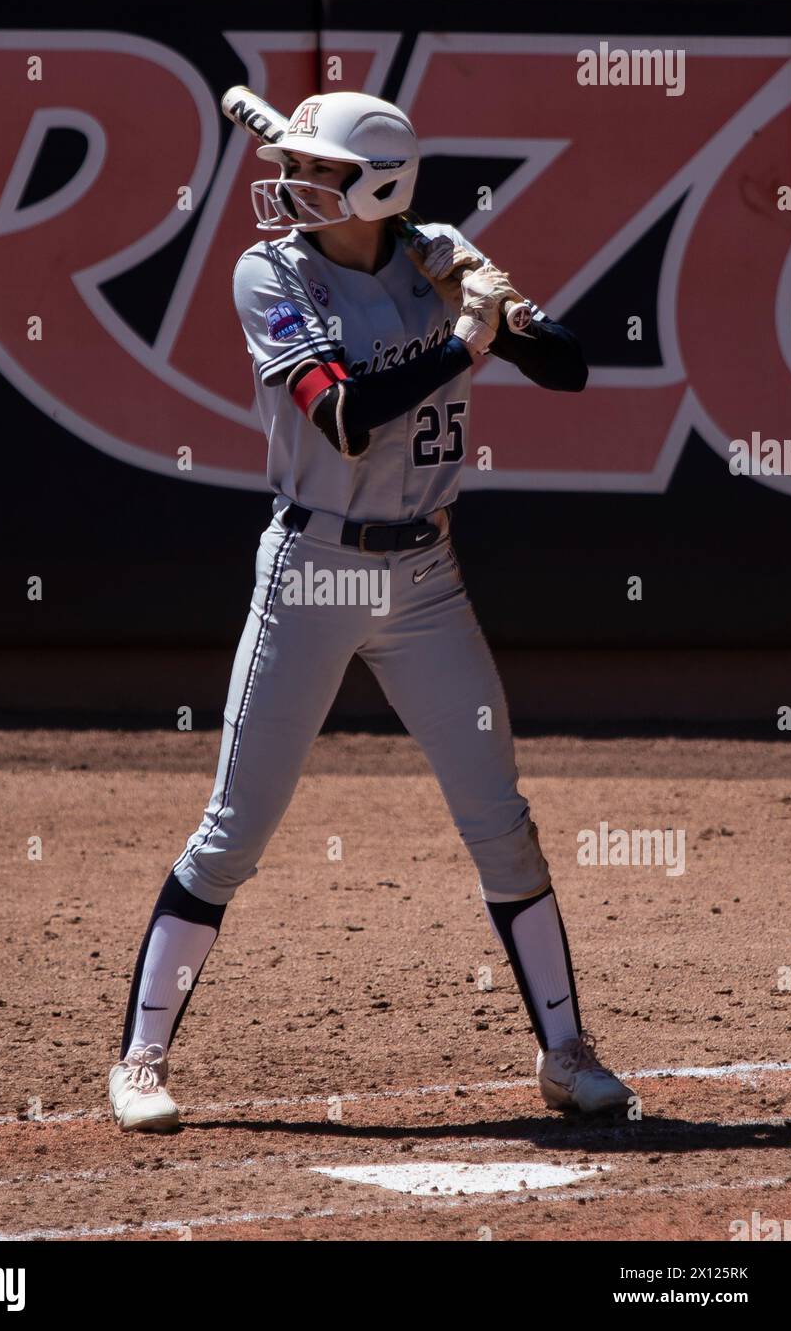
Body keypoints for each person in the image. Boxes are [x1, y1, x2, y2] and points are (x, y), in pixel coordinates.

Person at [109, 92, 635, 1133]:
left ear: (380, 188)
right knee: (234, 831)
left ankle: (566, 1055)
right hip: (314, 567)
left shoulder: (437, 254)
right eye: (295, 163)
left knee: (503, 823)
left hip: (426, 577)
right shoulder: (272, 272)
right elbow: (340, 414)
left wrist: (498, 304)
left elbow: (571, 367)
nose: (295, 181)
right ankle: (141, 1061)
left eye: (319, 170)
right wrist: (466, 341)